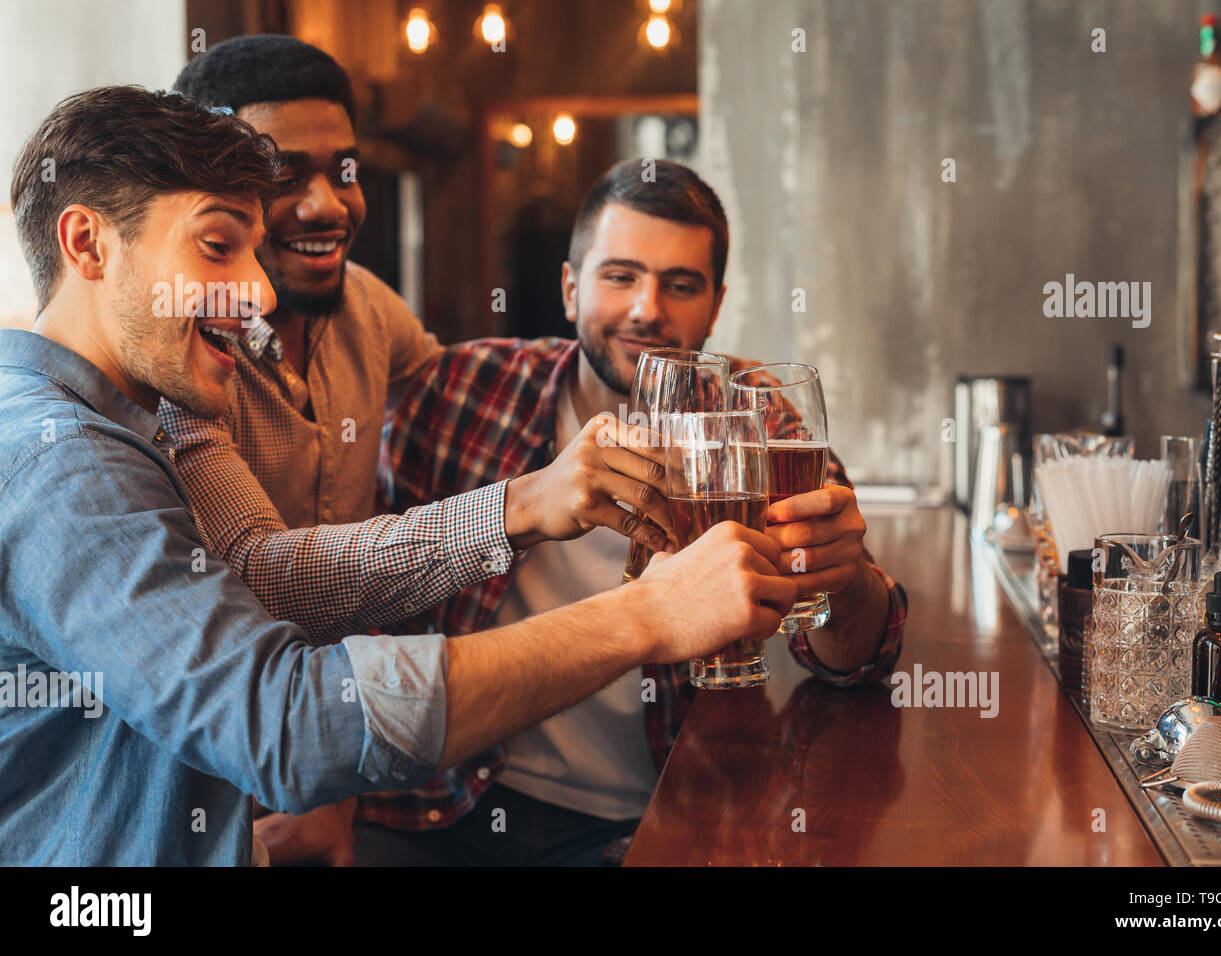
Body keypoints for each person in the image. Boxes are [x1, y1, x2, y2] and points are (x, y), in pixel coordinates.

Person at [0, 85, 796, 866]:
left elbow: (257, 586)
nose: (260, 292)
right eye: (217, 246)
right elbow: (288, 721)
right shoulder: (66, 464)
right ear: (87, 244)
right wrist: (647, 613)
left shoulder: (140, 413)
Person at [159, 35, 687, 863]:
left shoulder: (367, 306)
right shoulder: (175, 354)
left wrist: (658, 368)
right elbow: (262, 575)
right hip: (216, 773)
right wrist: (521, 505)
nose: (327, 204)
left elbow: (468, 380)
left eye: (343, 169)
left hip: (360, 752)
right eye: (280, 174)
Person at [359, 158, 909, 865]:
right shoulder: (469, 386)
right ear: (569, 288)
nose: (648, 308)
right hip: (437, 805)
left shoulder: (757, 413)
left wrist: (846, 581)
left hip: (641, 823)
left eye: (681, 285)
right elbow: (369, 590)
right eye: (620, 276)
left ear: (715, 306)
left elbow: (856, 659)